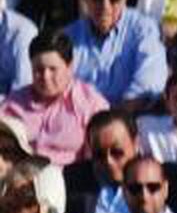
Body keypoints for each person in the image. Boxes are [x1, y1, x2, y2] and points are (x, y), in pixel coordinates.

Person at [65, 0, 171, 112]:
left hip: (131, 117)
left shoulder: (144, 29)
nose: (105, 6)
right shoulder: (69, 36)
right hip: (79, 117)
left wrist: (112, 118)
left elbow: (149, 83)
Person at [2, 30, 108, 167]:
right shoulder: (13, 104)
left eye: (53, 69)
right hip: (19, 173)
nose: (46, 77)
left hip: (69, 175)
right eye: (39, 70)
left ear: (69, 67)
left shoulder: (91, 105)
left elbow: (96, 160)